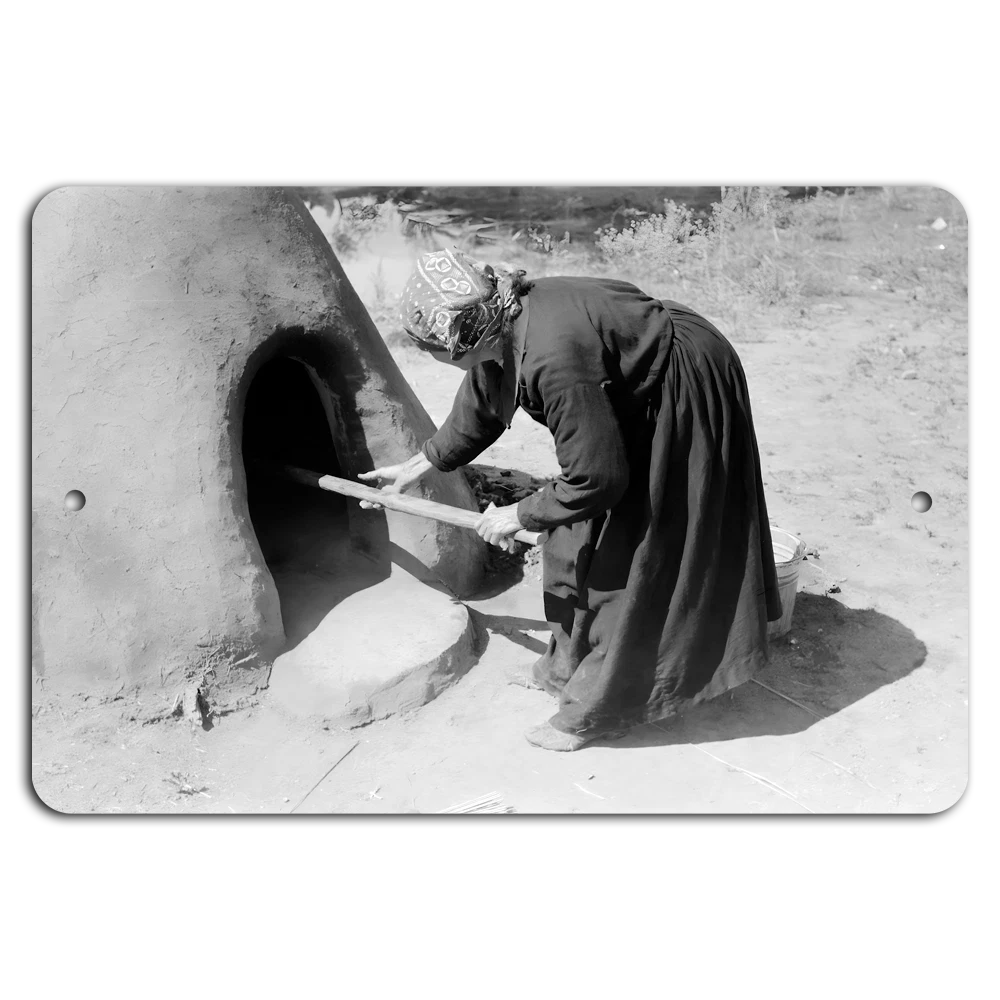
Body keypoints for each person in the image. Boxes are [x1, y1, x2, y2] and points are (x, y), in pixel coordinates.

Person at [358, 247, 783, 752]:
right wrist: (417, 465)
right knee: (571, 540)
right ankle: (564, 669)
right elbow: (484, 398)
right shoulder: (502, 320)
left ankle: (602, 710)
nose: (436, 358)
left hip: (681, 383)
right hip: (624, 375)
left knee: (635, 554)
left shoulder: (553, 358)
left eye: (436, 349)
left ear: (465, 338)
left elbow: (598, 479)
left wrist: (519, 514)